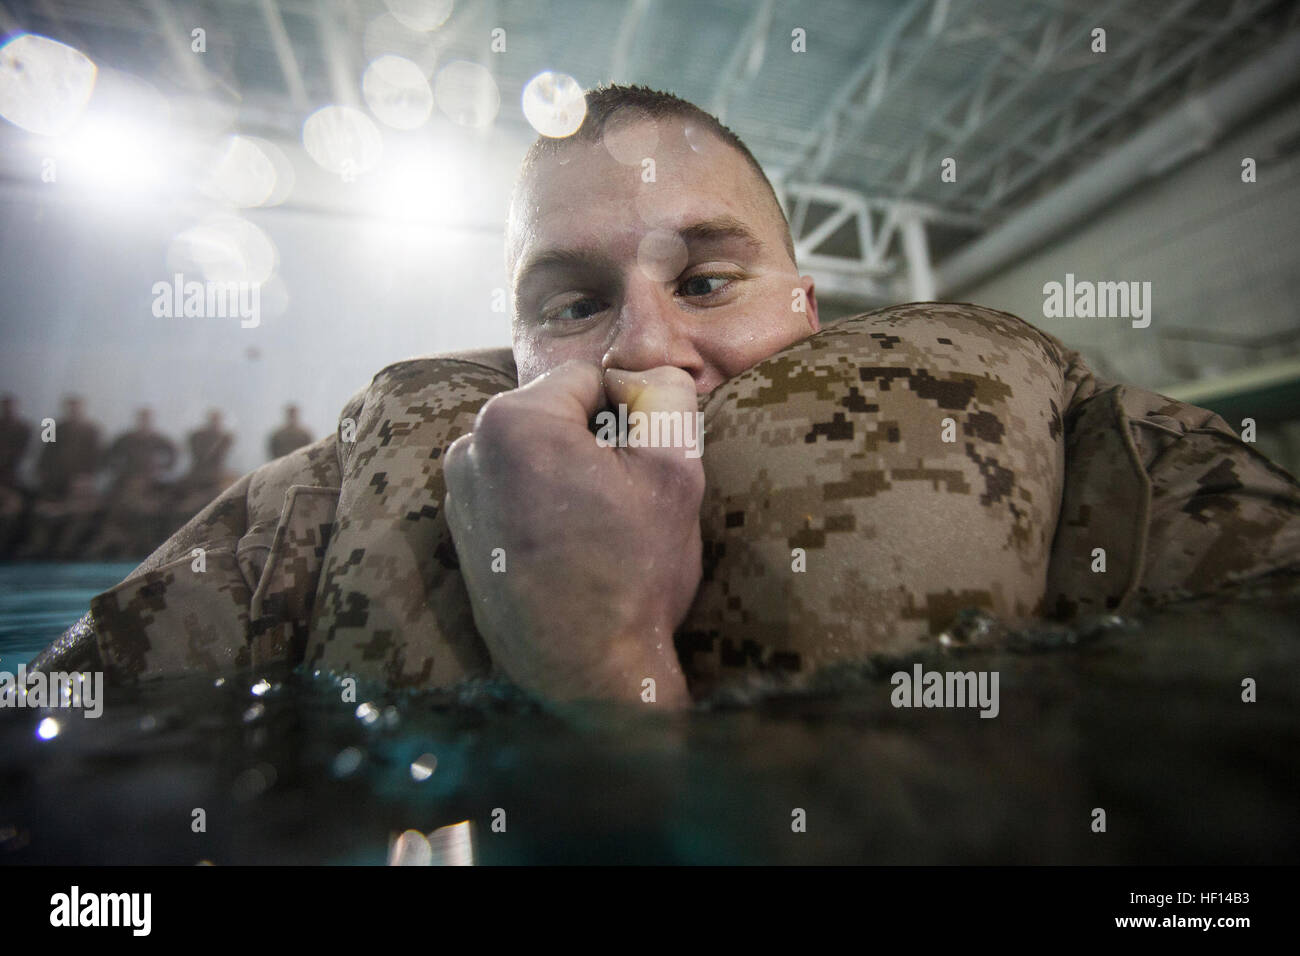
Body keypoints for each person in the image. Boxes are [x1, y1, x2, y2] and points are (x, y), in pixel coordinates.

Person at [31, 85, 1300, 702]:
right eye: (572, 302)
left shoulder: (1065, 441)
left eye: (706, 279)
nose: (648, 348)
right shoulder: (324, 507)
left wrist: (605, 671)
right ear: (510, 344)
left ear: (805, 303)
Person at [0, 394, 30, 490]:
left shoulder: (24, 427)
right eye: (6, 406)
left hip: (13, 467)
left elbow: (24, 449)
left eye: (11, 406)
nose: (8, 409)